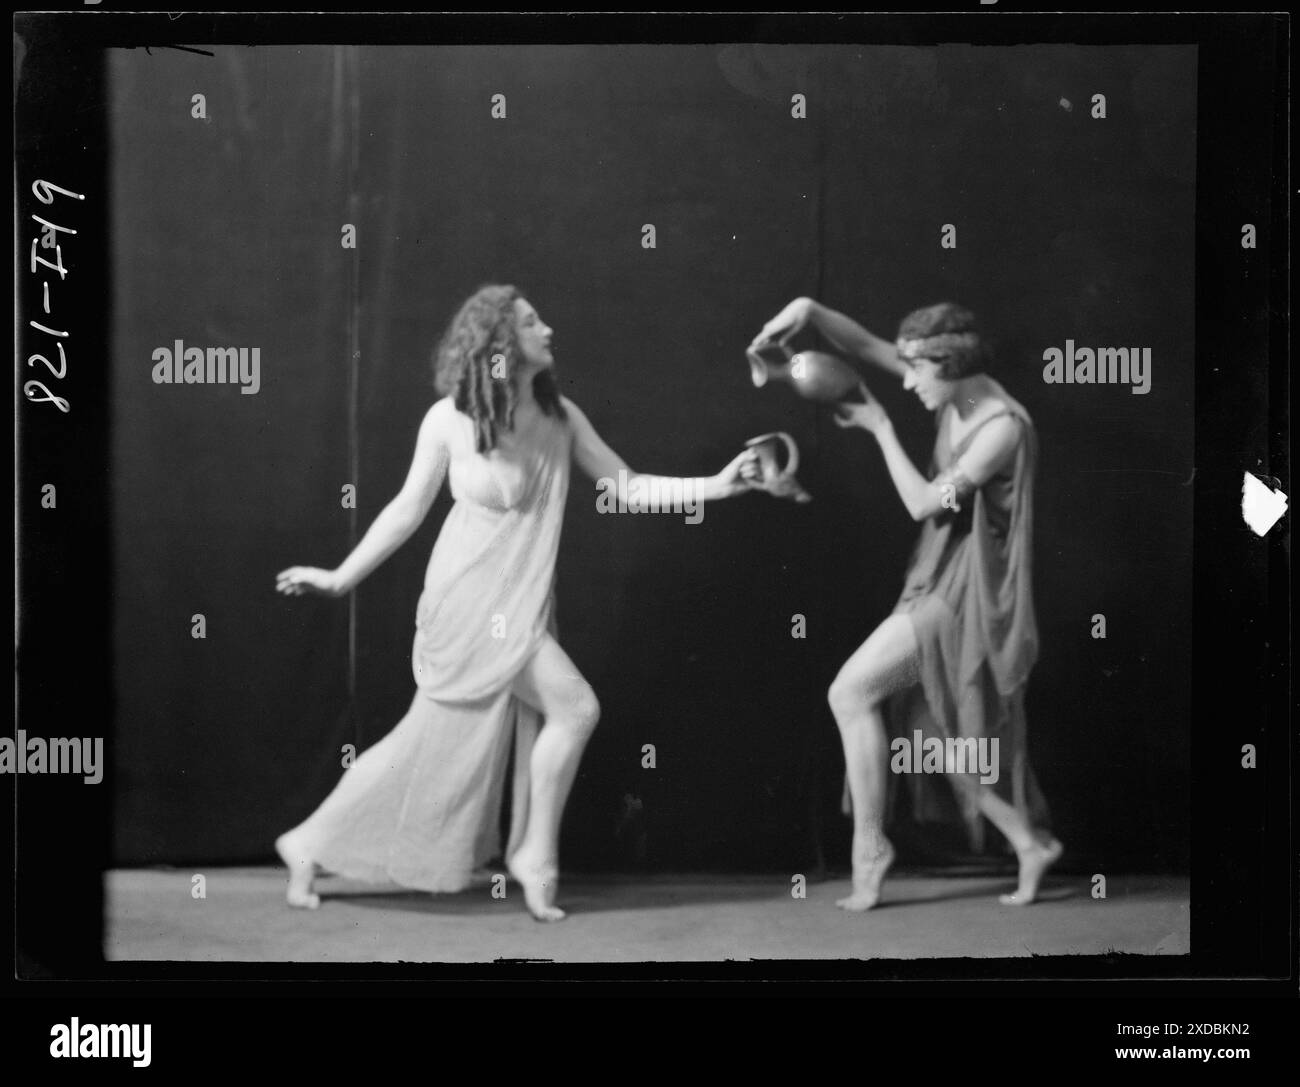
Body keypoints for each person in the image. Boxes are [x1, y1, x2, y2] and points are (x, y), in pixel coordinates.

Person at [275, 284, 757, 922]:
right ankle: (532, 855)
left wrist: (719, 487)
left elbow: (631, 488)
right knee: (572, 709)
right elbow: (405, 512)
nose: (548, 329)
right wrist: (340, 577)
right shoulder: (448, 419)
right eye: (532, 322)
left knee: (428, 740)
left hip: (520, 605)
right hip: (464, 603)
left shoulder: (560, 419)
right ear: (499, 342)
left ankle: (308, 842)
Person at [750, 297, 1062, 911]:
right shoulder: (953, 384)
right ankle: (1029, 842)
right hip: (939, 573)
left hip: (969, 591)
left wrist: (881, 429)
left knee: (850, 692)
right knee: (936, 735)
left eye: (918, 371)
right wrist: (808, 310)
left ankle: (871, 848)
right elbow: (867, 349)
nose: (908, 379)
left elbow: (923, 505)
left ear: (950, 364)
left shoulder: (999, 426)